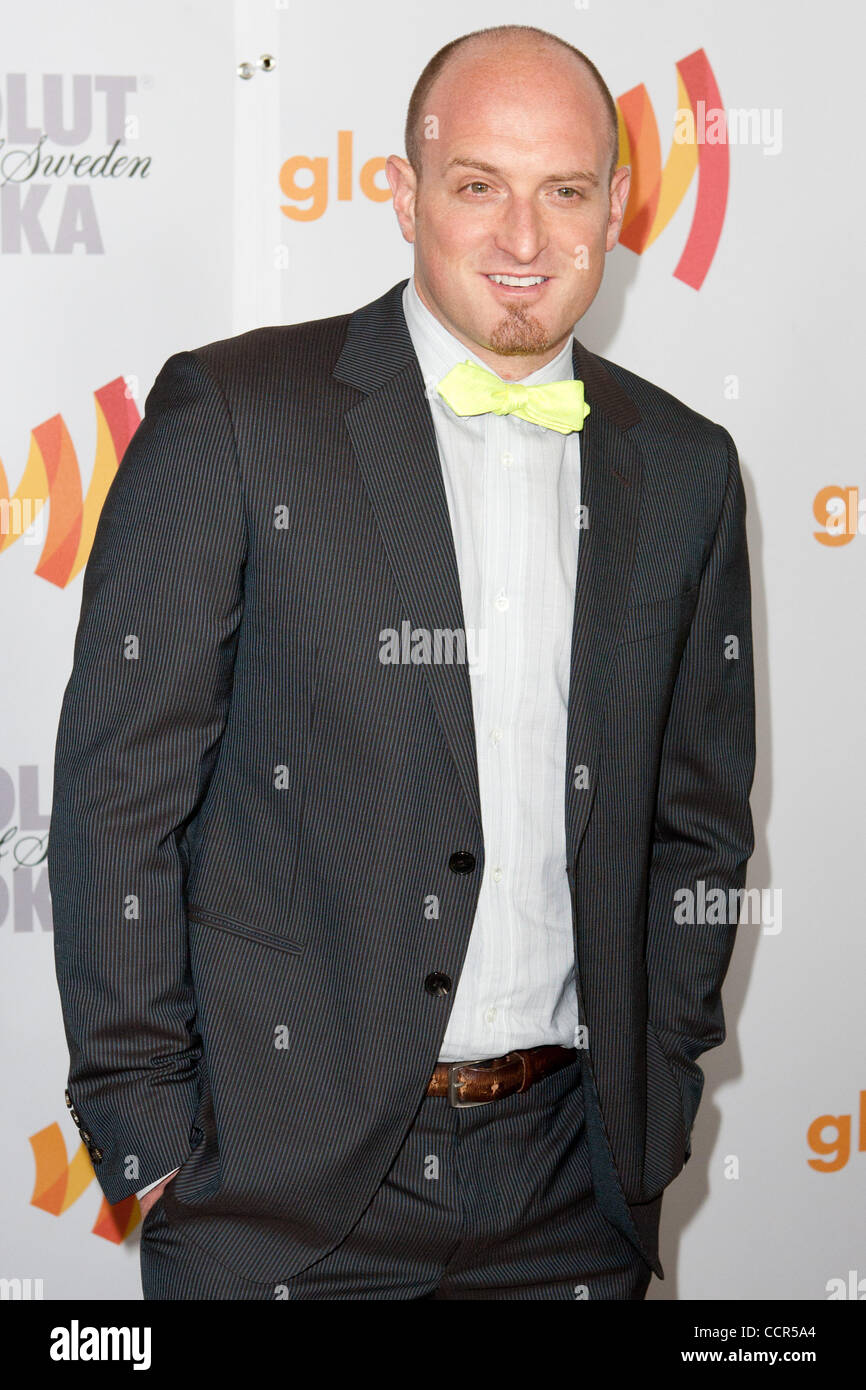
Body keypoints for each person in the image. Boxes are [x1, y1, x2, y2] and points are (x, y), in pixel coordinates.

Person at [48, 23, 755, 1300]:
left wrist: (659, 1084)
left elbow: (695, 826)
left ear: (614, 207)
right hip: (276, 1196)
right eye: (477, 184)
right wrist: (155, 1140)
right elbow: (116, 797)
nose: (523, 240)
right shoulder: (240, 418)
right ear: (402, 194)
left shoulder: (686, 465)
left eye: (564, 190)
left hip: (569, 1191)